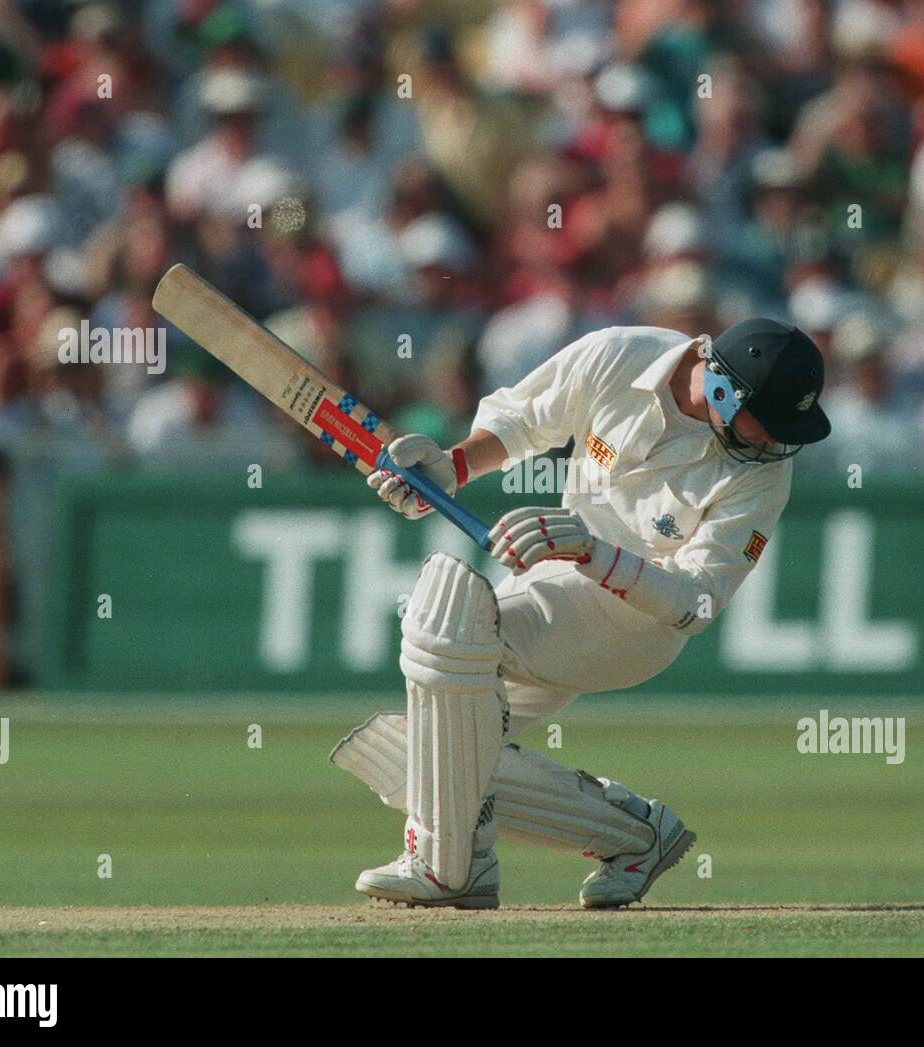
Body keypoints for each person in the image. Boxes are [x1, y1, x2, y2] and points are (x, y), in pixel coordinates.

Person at [332, 318, 831, 908]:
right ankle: (635, 835)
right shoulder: (621, 355)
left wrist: (594, 552)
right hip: (554, 584)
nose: (776, 442)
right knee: (427, 752)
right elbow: (523, 420)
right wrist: (453, 468)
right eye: (768, 424)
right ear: (722, 389)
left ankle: (449, 867)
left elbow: (697, 602)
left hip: (634, 626)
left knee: (446, 615)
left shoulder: (762, 477)